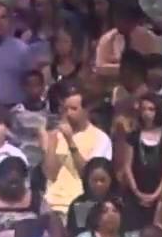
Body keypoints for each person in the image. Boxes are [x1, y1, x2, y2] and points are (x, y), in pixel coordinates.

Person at [43, 87, 113, 220]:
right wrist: (52, 142)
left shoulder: (100, 138)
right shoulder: (56, 135)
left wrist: (70, 142)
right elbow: (50, 174)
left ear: (86, 111)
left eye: (73, 109)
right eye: (65, 109)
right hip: (52, 204)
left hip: (80, 204)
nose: (68, 114)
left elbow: (89, 175)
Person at [118, 92, 162, 231]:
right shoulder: (133, 136)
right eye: (144, 109)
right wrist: (136, 191)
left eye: (151, 109)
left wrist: (156, 194)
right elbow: (127, 166)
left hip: (159, 193)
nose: (147, 113)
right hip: (134, 193)